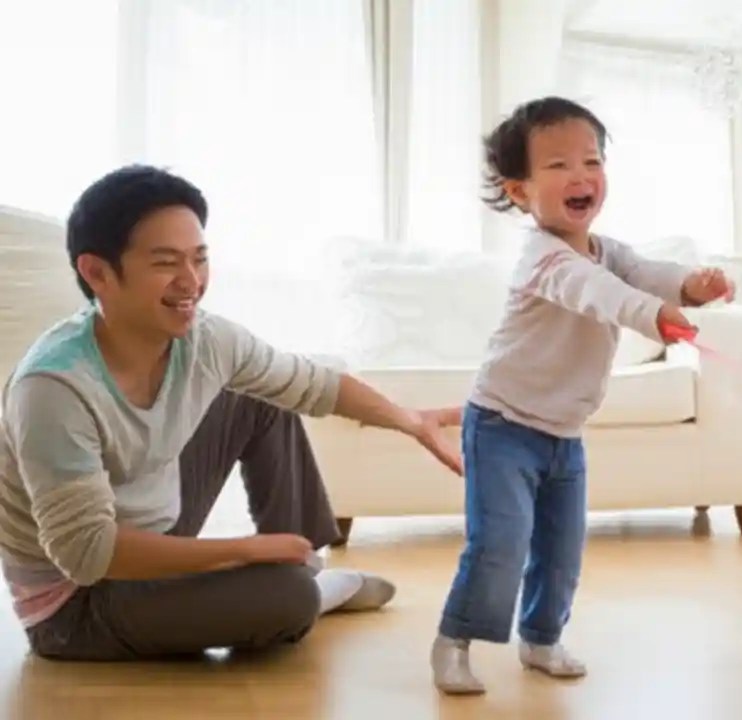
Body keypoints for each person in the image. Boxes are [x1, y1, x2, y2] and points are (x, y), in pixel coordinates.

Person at [0, 164, 464, 661]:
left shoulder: (204, 340)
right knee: (287, 601)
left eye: (199, 259)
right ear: (97, 273)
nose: (191, 281)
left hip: (155, 530)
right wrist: (243, 550)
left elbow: (311, 383)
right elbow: (88, 555)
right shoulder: (53, 388)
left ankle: (301, 565)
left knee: (260, 395)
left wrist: (409, 420)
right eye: (165, 262)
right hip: (78, 602)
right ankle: (299, 592)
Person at [430, 96, 734, 694]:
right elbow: (599, 293)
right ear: (519, 192)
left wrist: (691, 287)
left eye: (592, 162)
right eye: (559, 165)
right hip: (502, 426)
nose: (581, 177)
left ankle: (541, 638)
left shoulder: (608, 250)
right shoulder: (542, 259)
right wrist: (656, 315)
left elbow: (645, 273)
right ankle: (454, 639)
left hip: (564, 434)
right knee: (500, 543)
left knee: (563, 550)